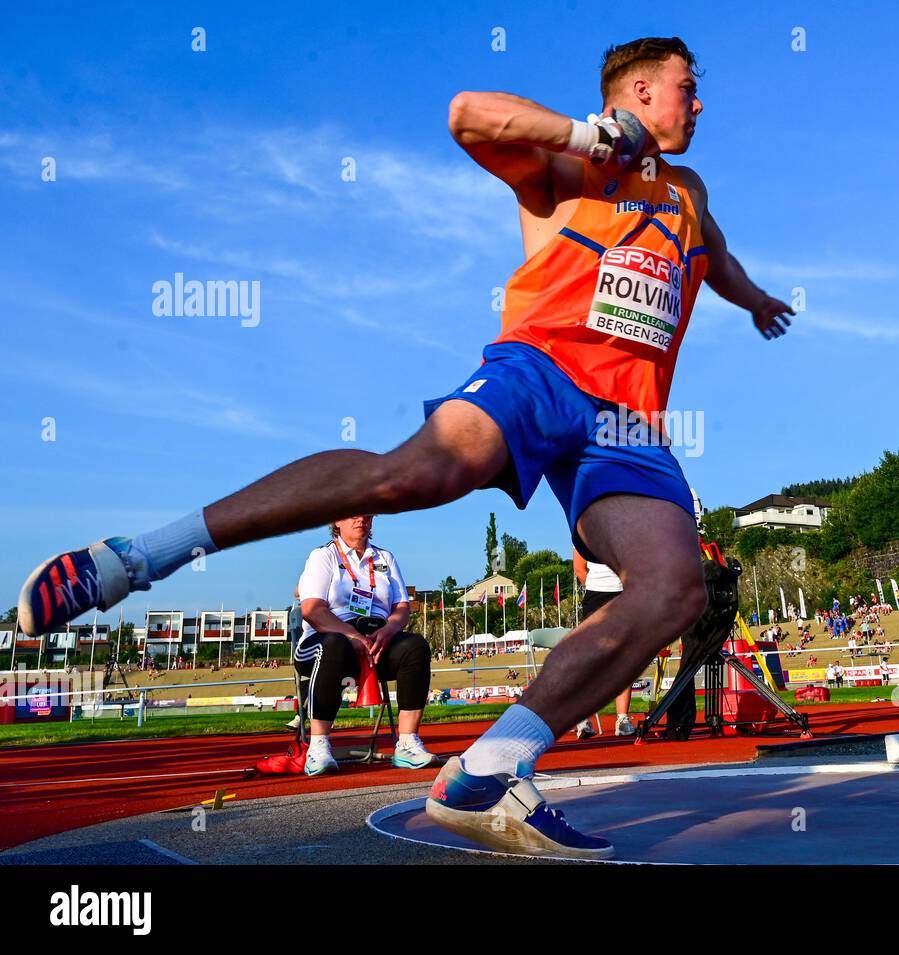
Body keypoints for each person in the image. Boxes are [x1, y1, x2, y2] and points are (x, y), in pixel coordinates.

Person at [19, 36, 791, 860]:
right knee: (416, 474)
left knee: (675, 588)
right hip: (543, 370)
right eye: (687, 88)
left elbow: (717, 259)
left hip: (629, 422)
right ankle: (132, 558)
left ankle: (487, 771)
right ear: (640, 89)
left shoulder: (690, 191)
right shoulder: (573, 166)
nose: (699, 103)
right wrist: (591, 135)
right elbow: (468, 117)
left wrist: (754, 301)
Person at [293, 516, 437, 775]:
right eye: (353, 513)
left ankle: (406, 742)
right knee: (334, 645)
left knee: (415, 647)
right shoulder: (322, 557)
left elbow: (401, 607)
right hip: (326, 641)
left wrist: (389, 630)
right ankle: (319, 746)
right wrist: (352, 636)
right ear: (336, 520)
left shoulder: (385, 558)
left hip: (376, 640)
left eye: (367, 513)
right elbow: (312, 610)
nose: (361, 518)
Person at [572, 550, 636, 738]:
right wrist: (598, 586)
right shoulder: (584, 531)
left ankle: (622, 719)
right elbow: (579, 568)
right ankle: (583, 718)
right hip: (598, 596)